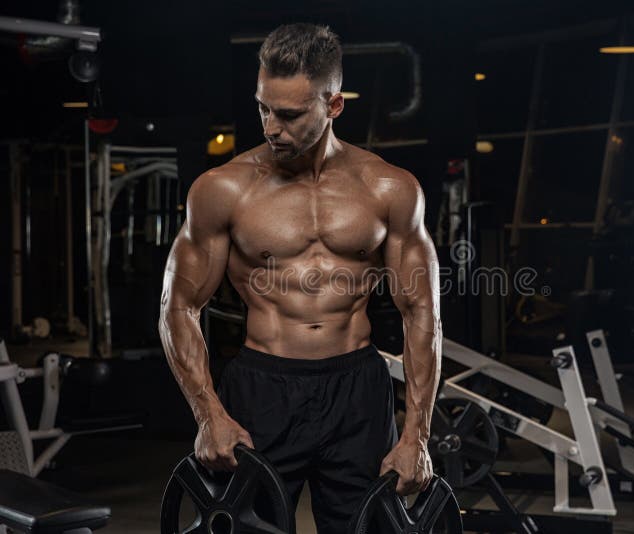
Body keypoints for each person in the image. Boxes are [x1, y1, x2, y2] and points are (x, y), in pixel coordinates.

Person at [158, 23, 441, 533]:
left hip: (357, 389)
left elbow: (422, 312)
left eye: (289, 115)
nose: (271, 127)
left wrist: (416, 435)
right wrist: (208, 415)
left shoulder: (390, 188)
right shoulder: (223, 189)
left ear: (333, 105)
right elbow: (177, 307)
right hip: (262, 389)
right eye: (264, 107)